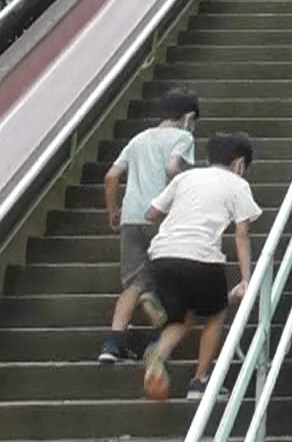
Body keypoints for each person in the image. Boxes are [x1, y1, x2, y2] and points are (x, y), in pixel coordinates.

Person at [139, 133, 262, 402]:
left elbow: (151, 213)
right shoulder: (237, 184)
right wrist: (246, 279)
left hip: (162, 256)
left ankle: (158, 353)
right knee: (217, 312)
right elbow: (242, 233)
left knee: (182, 317)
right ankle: (200, 381)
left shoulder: (186, 177)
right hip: (202, 257)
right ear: (239, 163)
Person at [99, 90, 198, 364]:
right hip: (162, 217)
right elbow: (171, 168)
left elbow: (111, 177)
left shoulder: (139, 139)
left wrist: (113, 211)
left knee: (133, 283)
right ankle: (159, 328)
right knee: (174, 276)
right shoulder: (183, 137)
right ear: (188, 117)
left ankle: (112, 344)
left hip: (131, 218)